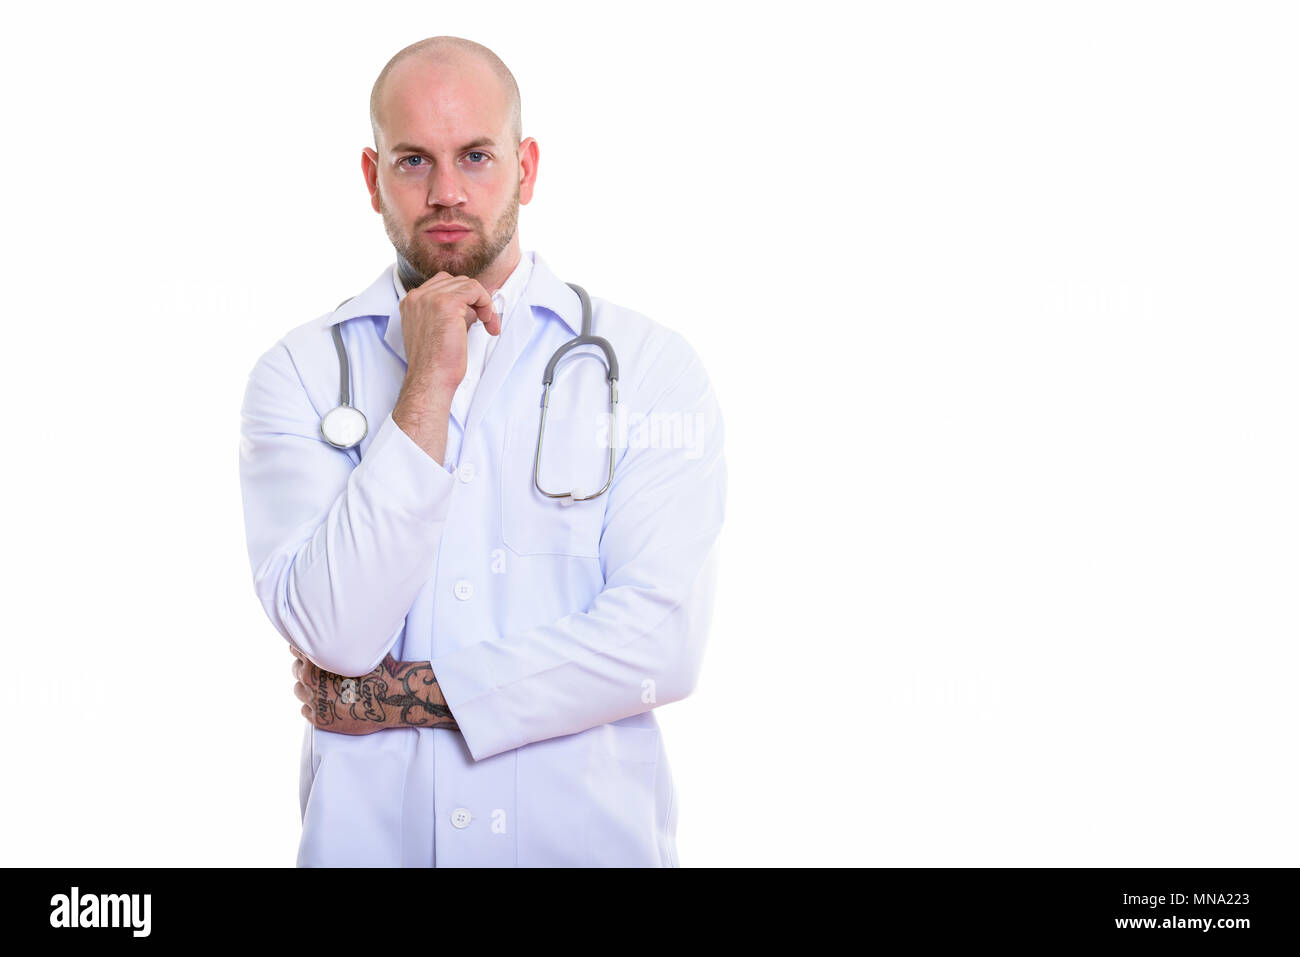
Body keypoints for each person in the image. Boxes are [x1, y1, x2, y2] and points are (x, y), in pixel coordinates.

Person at [237, 36, 727, 867]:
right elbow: (337, 633)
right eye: (413, 161)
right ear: (371, 178)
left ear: (527, 168)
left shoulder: (648, 366)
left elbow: (658, 642)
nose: (447, 192)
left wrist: (412, 696)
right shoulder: (300, 372)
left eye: (475, 155)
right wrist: (424, 383)